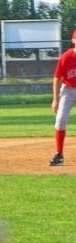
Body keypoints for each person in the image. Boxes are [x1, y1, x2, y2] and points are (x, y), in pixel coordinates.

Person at [49, 28, 76, 166]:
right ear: (73, 41)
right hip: (68, 90)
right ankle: (59, 154)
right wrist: (55, 99)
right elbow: (57, 78)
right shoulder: (66, 57)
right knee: (60, 119)